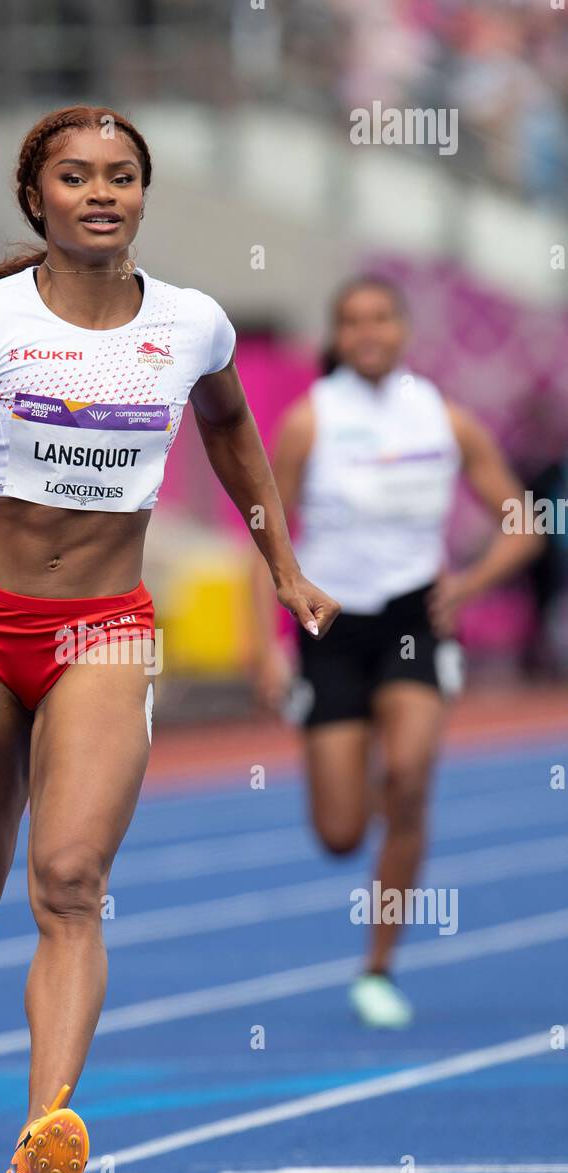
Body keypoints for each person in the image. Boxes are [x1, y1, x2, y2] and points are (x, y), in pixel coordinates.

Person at [0, 105, 339, 1173]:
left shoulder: (190, 326)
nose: (100, 192)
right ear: (35, 197)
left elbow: (231, 431)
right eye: (75, 176)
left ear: (143, 195)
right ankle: (2, 788)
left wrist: (281, 564)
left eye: (121, 176)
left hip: (107, 631)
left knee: (73, 880)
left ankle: (46, 1125)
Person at [252, 275, 542, 1028]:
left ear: (404, 330)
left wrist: (468, 585)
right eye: (353, 322)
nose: (369, 333)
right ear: (338, 336)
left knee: (410, 775)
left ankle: (379, 966)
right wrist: (264, 646)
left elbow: (525, 523)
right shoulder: (310, 421)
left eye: (382, 319)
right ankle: (360, 785)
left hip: (415, 618)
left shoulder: (444, 418)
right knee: (341, 832)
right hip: (332, 627)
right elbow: (266, 537)